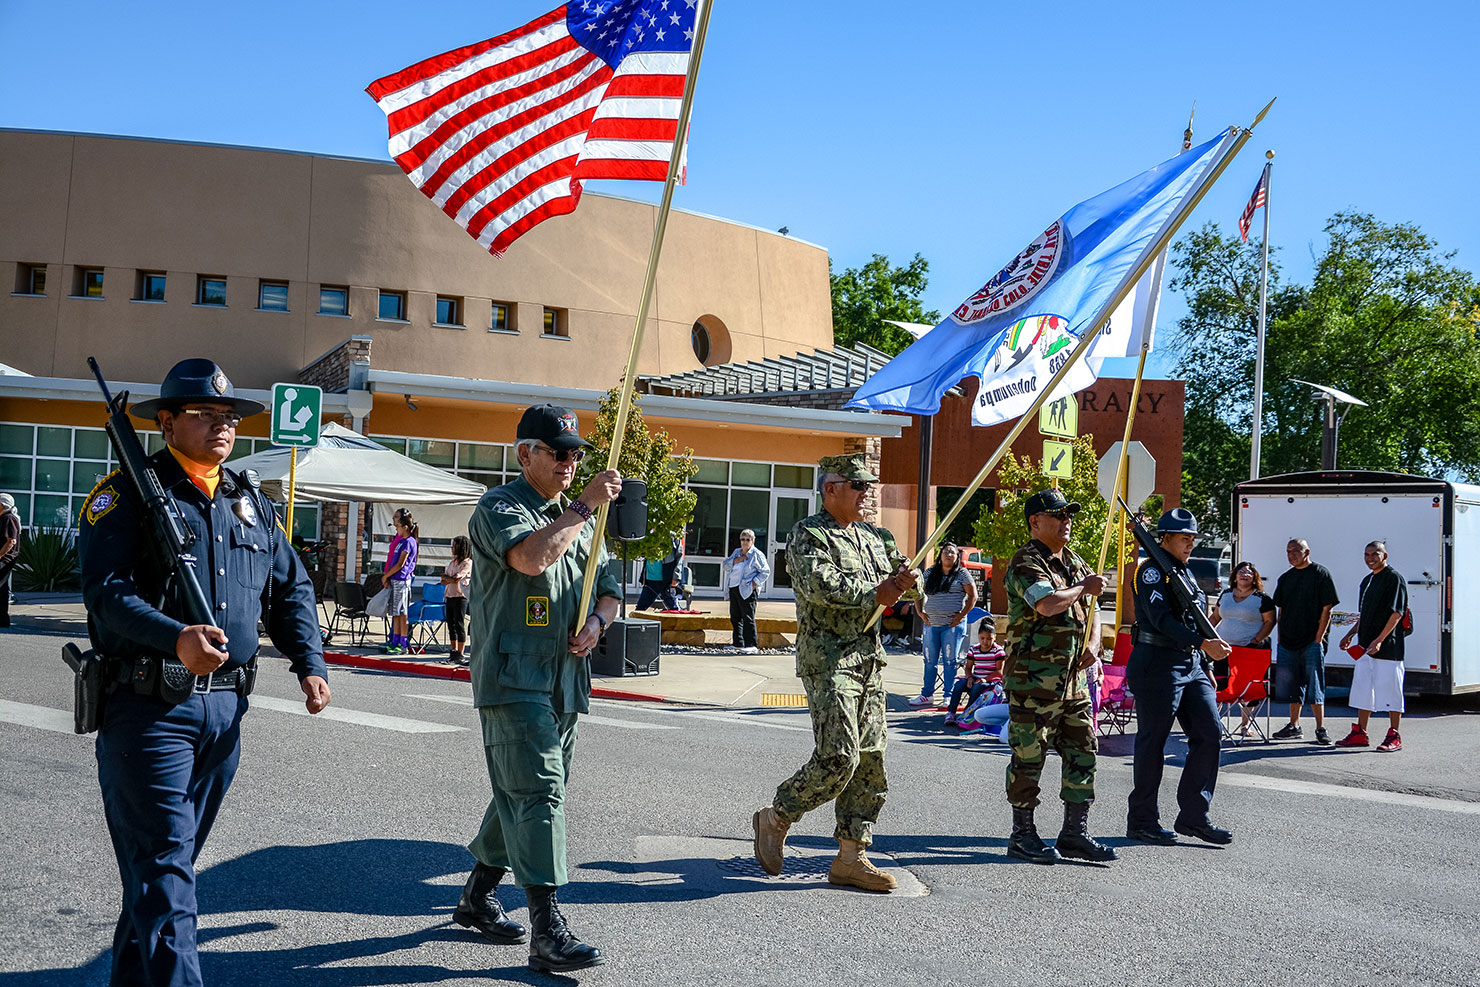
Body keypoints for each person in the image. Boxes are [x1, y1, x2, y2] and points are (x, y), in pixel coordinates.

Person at [78, 358, 330, 987]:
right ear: (165, 423)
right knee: (166, 871)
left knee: (165, 870)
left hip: (225, 714)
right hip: (149, 711)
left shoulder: (249, 502)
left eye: (229, 417)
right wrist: (175, 637)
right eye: (206, 414)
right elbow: (106, 594)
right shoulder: (124, 495)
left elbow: (289, 589)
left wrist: (309, 662)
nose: (223, 425)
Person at [457, 403, 621, 974]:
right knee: (539, 790)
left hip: (565, 679)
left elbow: (609, 589)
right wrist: (583, 507)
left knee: (528, 791)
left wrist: (598, 623)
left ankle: (477, 895)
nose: (570, 462)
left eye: (576, 453)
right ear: (525, 452)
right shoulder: (500, 506)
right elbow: (530, 558)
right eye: (558, 451)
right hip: (512, 676)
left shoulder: (580, 520)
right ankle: (547, 928)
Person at [751, 453, 917, 892]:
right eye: (858, 486)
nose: (867, 494)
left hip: (869, 660)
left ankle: (851, 857)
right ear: (831, 489)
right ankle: (777, 815)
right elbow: (820, 586)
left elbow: (906, 582)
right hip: (829, 662)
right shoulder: (808, 535)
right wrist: (876, 591)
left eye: (869, 486)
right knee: (839, 756)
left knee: (871, 759)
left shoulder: (876, 537)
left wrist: (910, 582)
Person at [1000, 489, 1116, 865]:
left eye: (1069, 514)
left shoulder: (1075, 562)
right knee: (1029, 758)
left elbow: (1094, 609)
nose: (1066, 520)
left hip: (1073, 684)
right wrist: (1085, 587)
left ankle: (1074, 834)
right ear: (1035, 522)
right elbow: (1047, 604)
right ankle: (1023, 835)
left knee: (1083, 754)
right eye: (1057, 514)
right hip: (1033, 681)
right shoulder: (1026, 561)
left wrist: (1095, 644)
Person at [1124, 508, 1235, 846]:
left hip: (1190, 665)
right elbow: (1161, 621)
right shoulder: (1151, 574)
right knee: (1152, 742)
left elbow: (1193, 619)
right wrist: (1203, 644)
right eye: (1184, 538)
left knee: (1209, 733)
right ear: (1165, 538)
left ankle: (1194, 816)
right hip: (1156, 663)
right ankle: (1142, 820)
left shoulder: (1182, 573)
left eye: (1192, 538)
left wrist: (1204, 661)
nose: (1189, 544)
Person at [1337, 541, 1408, 752]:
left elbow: (1397, 613)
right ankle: (1360, 733)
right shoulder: (1367, 580)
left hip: (1388, 648)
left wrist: (1380, 639)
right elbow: (1364, 615)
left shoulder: (1394, 578)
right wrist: (1350, 634)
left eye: (1374, 554)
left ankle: (1394, 735)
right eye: (1366, 554)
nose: (1370, 558)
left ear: (1384, 555)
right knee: (1362, 689)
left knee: (1391, 691)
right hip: (1365, 647)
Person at [1271, 538, 1340, 745]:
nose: (1291, 555)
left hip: (1311, 641)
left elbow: (1327, 609)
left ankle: (1320, 728)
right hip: (1288, 642)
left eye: (1295, 551)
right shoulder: (1285, 578)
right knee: (1293, 685)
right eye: (1288, 551)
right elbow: (1280, 610)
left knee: (1315, 685)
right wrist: (1281, 639)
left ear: (1307, 551)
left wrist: (1318, 639)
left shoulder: (1320, 574)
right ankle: (1294, 725)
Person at [1209, 560, 1276, 736]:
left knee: (1246, 687)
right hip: (1223, 649)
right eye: (1241, 571)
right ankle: (1215, 722)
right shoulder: (1225, 595)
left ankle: (1245, 725)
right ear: (1235, 575)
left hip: (1249, 650)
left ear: (1254, 577)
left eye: (1249, 572)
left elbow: (1270, 621)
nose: (1245, 574)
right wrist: (1207, 634)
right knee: (1220, 683)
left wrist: (1257, 639)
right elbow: (1215, 617)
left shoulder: (1262, 599)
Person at [910, 542, 978, 707]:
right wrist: (920, 612)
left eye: (953, 553)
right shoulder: (930, 572)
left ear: (957, 557)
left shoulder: (962, 574)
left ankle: (949, 695)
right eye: (946, 551)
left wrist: (961, 616)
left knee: (950, 660)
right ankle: (927, 694)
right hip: (931, 624)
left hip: (952, 626)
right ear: (940, 555)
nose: (949, 555)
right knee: (929, 660)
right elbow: (918, 592)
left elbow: (973, 596)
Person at [945, 622, 1003, 727]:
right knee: (958, 685)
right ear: (978, 637)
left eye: (989, 639)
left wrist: (985, 679)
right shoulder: (974, 649)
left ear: (995, 638)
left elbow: (999, 671)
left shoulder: (998, 651)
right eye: (982, 638)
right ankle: (951, 713)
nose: (985, 642)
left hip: (991, 681)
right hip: (975, 677)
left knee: (976, 688)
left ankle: (967, 713)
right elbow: (968, 667)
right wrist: (969, 677)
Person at [722, 528, 770, 653]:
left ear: (753, 541)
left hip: (747, 589)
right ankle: (738, 643)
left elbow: (765, 571)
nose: (744, 542)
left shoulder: (757, 555)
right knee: (735, 616)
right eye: (742, 539)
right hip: (734, 587)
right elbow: (725, 565)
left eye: (747, 539)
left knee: (747, 616)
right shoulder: (737, 552)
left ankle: (752, 644)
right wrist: (735, 561)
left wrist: (754, 583)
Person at [382, 508, 419, 654]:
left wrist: (386, 576)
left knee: (403, 613)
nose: (396, 529)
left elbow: (400, 564)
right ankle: (395, 641)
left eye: (398, 527)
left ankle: (403, 644)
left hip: (402, 580)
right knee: (396, 613)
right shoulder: (401, 541)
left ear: (405, 527)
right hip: (396, 580)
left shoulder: (409, 542)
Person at [442, 534, 473, 665]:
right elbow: (443, 579)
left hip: (461, 597)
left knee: (459, 624)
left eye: (454, 546)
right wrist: (450, 579)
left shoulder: (467, 563)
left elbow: (456, 578)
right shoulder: (452, 563)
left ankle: (460, 653)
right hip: (449, 595)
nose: (452, 548)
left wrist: (450, 579)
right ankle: (453, 651)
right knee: (451, 625)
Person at [634, 534, 682, 612]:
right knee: (640, 608)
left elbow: (679, 558)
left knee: (673, 608)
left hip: (667, 580)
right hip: (650, 580)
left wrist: (676, 576)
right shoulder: (647, 533)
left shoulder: (672, 536)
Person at [0, 492, 19, 629]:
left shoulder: (9, 518)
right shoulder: (4, 517)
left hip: (5, 559)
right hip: (4, 558)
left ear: (2, 505)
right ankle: (2, 619)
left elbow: (11, 541)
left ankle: (2, 619)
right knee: (2, 588)